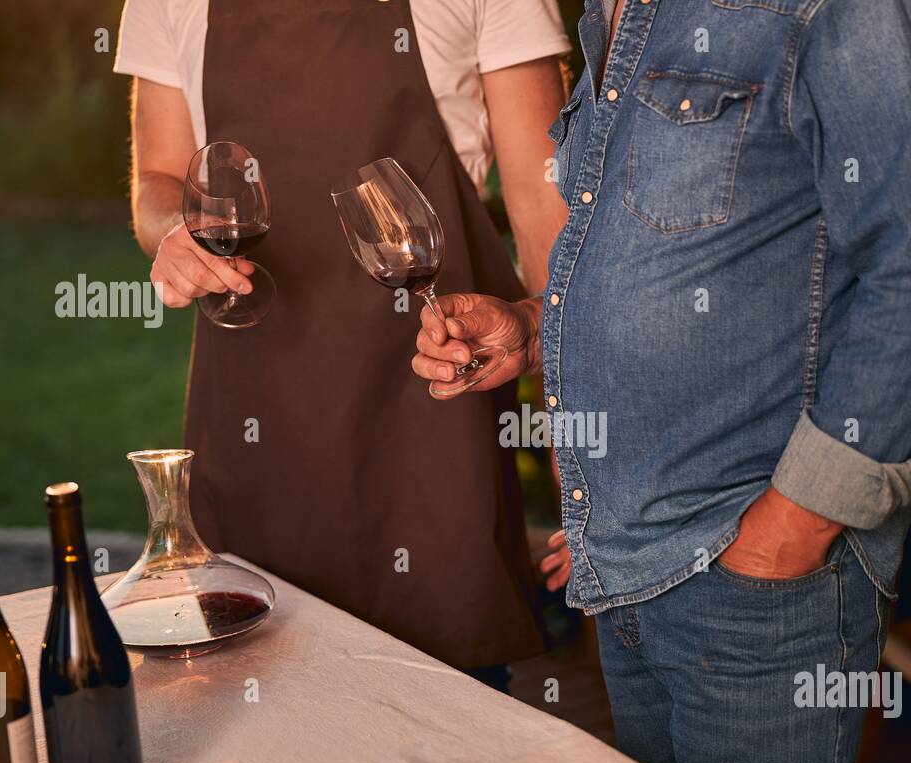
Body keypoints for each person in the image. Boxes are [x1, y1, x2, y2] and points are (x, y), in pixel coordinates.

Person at [411, 0, 911, 763]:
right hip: (633, 573)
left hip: (756, 586)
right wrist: (531, 330)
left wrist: (789, 529)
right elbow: (701, 262)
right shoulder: (617, 10)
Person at [115, 0, 571, 688]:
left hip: (432, 416)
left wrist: (584, 478)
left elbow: (551, 236)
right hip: (254, 425)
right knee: (260, 727)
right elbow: (157, 182)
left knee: (453, 741)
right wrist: (174, 230)